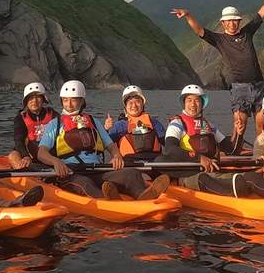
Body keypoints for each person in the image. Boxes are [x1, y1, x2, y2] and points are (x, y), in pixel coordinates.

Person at [171, 0, 264, 144]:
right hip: (239, 87)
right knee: (240, 124)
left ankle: (263, 152)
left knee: (262, 123)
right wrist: (188, 15)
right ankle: (235, 149)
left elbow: (261, 14)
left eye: (235, 21)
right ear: (223, 23)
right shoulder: (219, 39)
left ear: (238, 22)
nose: (232, 24)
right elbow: (199, 30)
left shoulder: (247, 33)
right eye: (229, 21)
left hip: (259, 85)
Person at [34, 80, 170, 201]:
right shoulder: (55, 124)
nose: (69, 104)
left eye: (73, 100)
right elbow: (42, 152)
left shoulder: (93, 121)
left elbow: (110, 145)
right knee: (86, 183)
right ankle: (108, 201)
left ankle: (143, 196)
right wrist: (55, 162)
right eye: (65, 100)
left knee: (131, 173)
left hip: (97, 170)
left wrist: (116, 156)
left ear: (81, 101)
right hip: (72, 172)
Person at [161, 85, 264, 198]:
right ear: (184, 103)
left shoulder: (209, 126)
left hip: (213, 171)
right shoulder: (177, 123)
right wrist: (199, 158)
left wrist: (239, 134)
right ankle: (235, 191)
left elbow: (231, 150)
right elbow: (170, 149)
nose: (193, 104)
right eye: (189, 100)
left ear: (202, 104)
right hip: (188, 175)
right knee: (205, 179)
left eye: (197, 101)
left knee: (251, 176)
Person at [104, 85, 166, 163]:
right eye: (130, 102)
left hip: (154, 162)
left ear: (143, 104)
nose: (134, 105)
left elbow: (167, 144)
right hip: (129, 164)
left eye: (137, 101)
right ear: (125, 107)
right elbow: (104, 145)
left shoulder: (154, 123)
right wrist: (106, 129)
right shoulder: (120, 126)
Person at [9, 82, 57, 169]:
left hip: (48, 154)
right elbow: (18, 141)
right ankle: (23, 175)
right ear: (26, 101)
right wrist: (25, 156)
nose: (34, 101)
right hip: (28, 154)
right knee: (13, 155)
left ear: (43, 99)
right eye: (31, 98)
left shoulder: (53, 114)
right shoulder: (20, 118)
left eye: (38, 97)